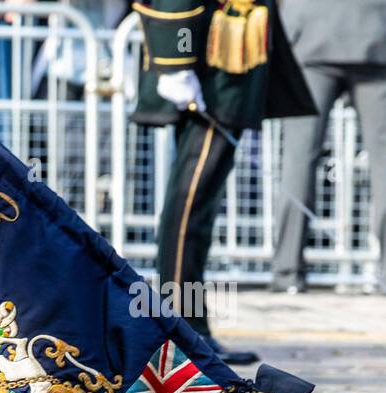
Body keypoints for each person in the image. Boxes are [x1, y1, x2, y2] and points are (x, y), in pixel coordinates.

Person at [131, 0, 315, 365]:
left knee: (200, 209)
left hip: (231, 68)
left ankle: (192, 326)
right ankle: (180, 326)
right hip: (211, 72)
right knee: (189, 207)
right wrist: (175, 63)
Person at [272, 0, 386, 293]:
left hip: (311, 32)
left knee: (298, 161)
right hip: (376, 31)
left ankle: (287, 272)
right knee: (384, 165)